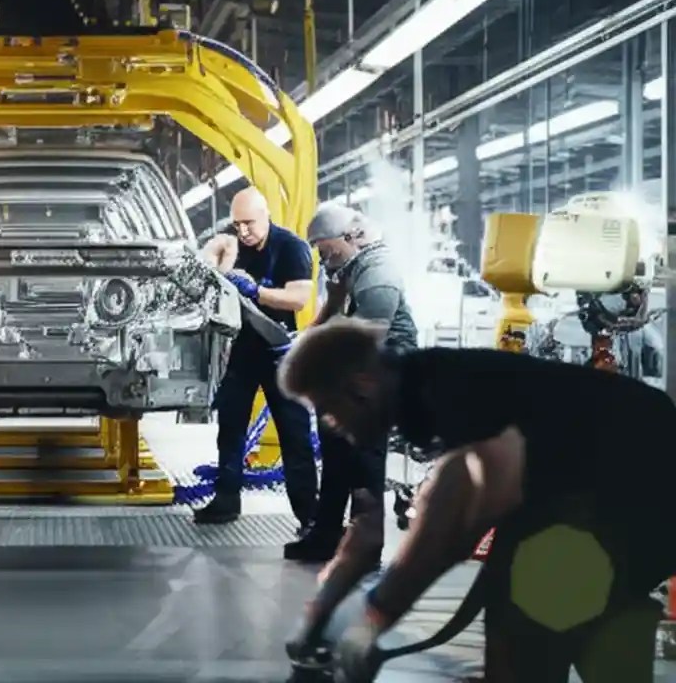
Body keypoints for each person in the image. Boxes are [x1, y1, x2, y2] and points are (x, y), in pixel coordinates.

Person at [278, 319, 676, 682]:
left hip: (643, 490)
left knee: (527, 603)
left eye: (328, 409)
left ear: (361, 385)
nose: (329, 423)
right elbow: (368, 530)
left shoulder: (446, 389)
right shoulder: (417, 390)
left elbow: (464, 516)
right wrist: (320, 611)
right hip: (598, 493)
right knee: (521, 584)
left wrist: (374, 617)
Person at [285, 204, 418, 564]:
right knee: (335, 453)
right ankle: (327, 535)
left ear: (348, 238)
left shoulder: (378, 271)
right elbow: (330, 311)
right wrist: (301, 341)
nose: (322, 256)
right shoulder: (347, 266)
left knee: (364, 457)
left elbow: (371, 333)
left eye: (325, 248)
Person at [197, 187, 316, 527]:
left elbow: (298, 299)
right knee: (230, 426)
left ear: (265, 215)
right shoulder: (238, 247)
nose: (244, 231)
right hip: (244, 350)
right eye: (238, 225)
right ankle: (226, 501)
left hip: (279, 353)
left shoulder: (291, 247)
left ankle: (308, 514)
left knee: (293, 434)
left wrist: (256, 291)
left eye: (249, 223)